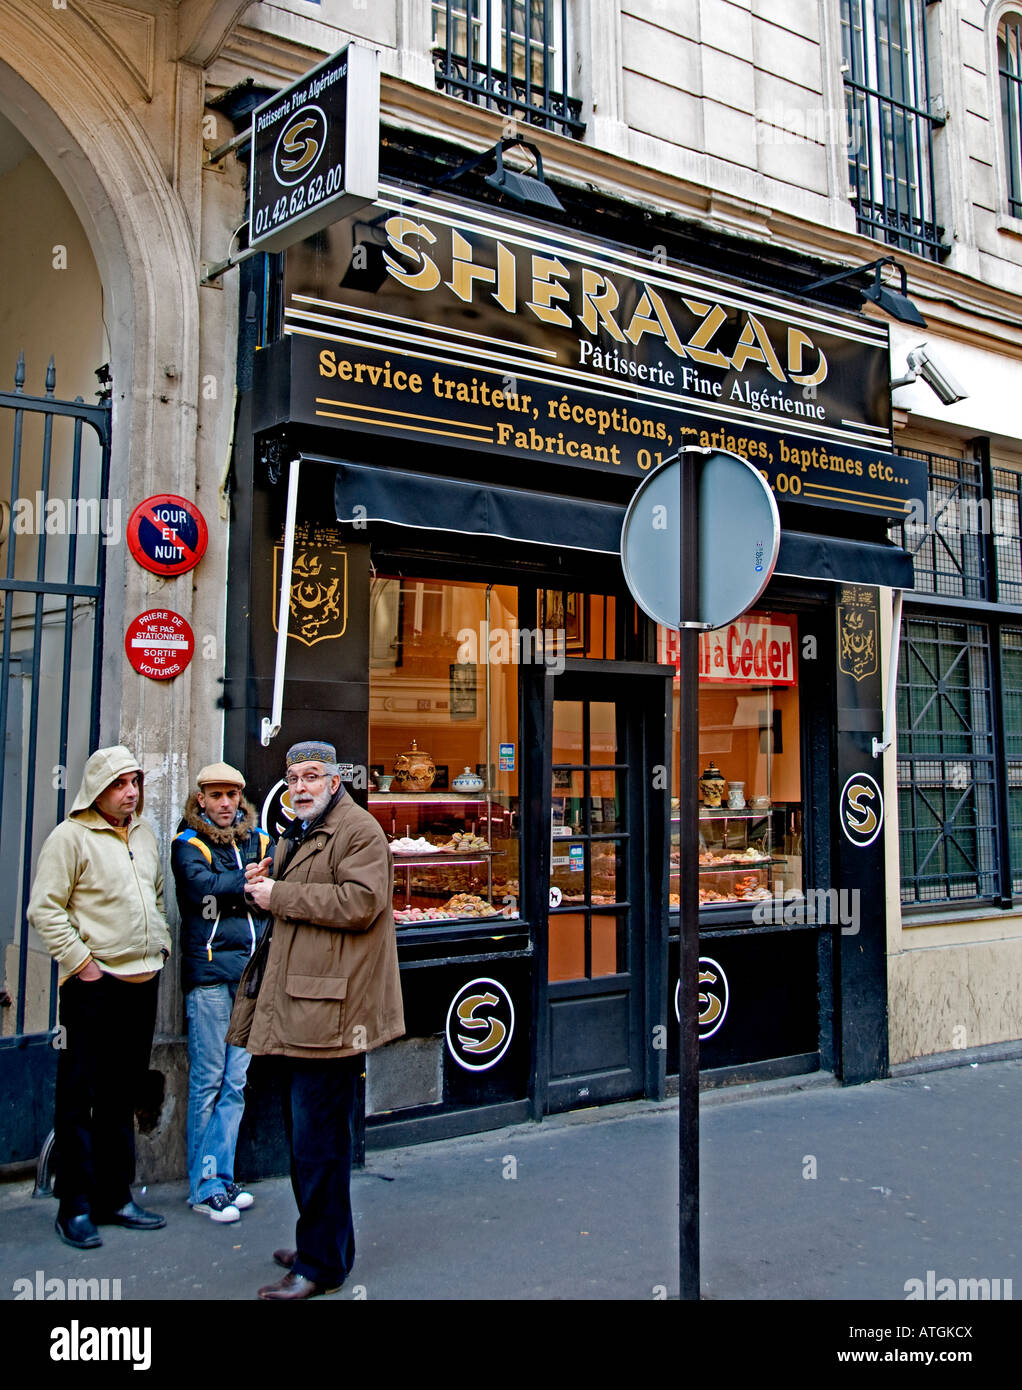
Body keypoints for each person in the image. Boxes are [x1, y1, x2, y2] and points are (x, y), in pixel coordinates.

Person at [228, 739, 404, 1300]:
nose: (301, 786)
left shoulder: (359, 830)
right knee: (306, 1142)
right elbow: (303, 892)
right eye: (294, 776)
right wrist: (267, 875)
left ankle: (321, 1266)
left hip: (333, 1013)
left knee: (319, 1147)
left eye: (312, 775)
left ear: (334, 780)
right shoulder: (301, 831)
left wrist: (279, 892)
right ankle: (318, 1245)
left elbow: (359, 903)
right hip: (303, 1005)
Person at [27, 746, 171, 1250]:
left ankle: (116, 1195)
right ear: (97, 788)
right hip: (94, 986)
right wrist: (83, 964)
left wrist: (161, 944)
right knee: (79, 1096)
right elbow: (44, 909)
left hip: (142, 981)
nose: (130, 792)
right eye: (119, 784)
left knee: (120, 1095)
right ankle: (75, 1205)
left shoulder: (145, 834)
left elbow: (154, 893)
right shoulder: (70, 838)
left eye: (135, 782)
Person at [172, 762, 273, 1223]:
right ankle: (203, 1184)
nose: (226, 803)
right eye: (216, 796)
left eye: (232, 795)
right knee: (209, 1082)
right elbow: (201, 891)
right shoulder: (187, 843)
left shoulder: (260, 839)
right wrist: (248, 884)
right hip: (212, 979)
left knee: (235, 1083)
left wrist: (252, 884)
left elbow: (280, 883)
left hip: (250, 977)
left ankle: (222, 1176)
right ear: (202, 800)